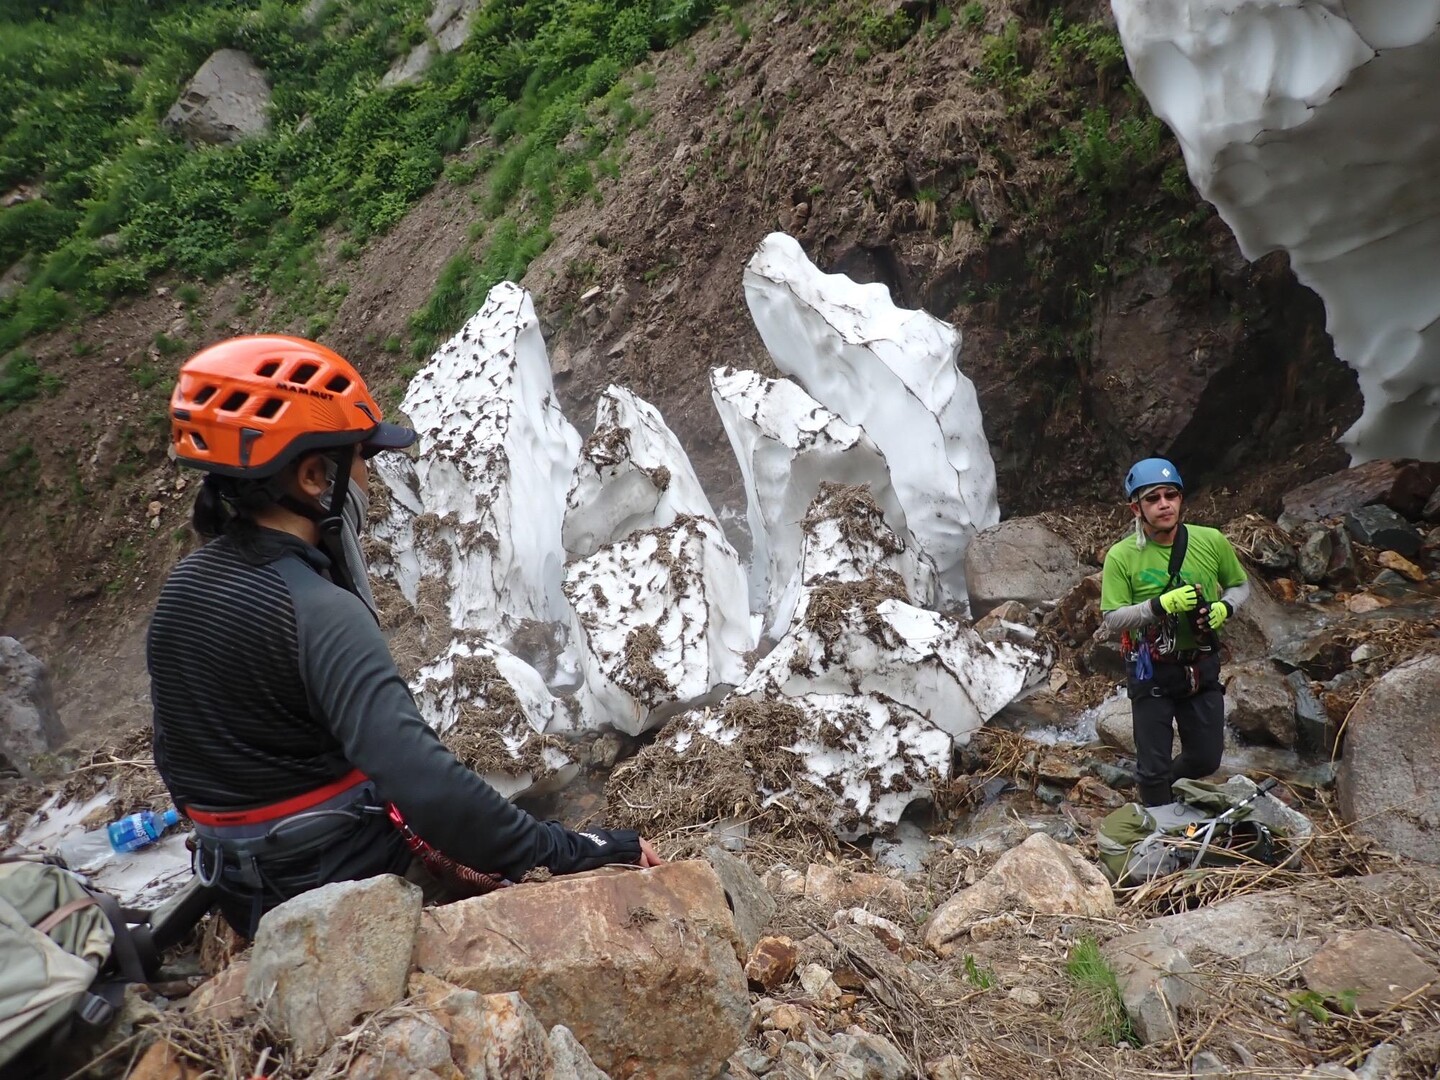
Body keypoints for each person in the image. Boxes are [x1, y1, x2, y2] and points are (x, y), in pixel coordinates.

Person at [147, 335, 661, 936]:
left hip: (237, 887)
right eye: (359, 457)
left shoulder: (184, 589)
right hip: (337, 892)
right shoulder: (317, 610)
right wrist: (584, 849)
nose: (369, 477)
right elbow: (431, 792)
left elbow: (178, 765)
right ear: (315, 475)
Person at [1099, 458, 1250, 807]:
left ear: (1181, 499)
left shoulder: (1211, 540)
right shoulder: (1122, 556)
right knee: (1151, 769)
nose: (1164, 504)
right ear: (1136, 507)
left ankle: (1167, 797)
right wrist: (1158, 606)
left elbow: (1239, 586)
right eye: (1153, 498)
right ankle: (1159, 836)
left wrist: (1224, 608)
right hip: (1151, 670)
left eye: (1171, 495)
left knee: (1206, 759)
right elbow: (1113, 618)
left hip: (1200, 666)